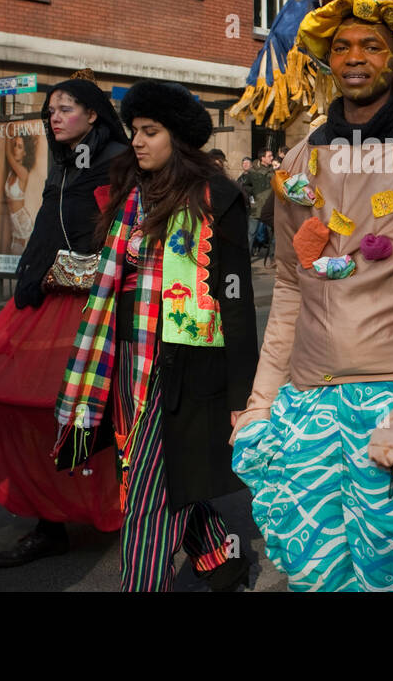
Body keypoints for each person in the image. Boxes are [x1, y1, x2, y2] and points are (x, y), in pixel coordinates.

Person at [230, 0, 393, 591]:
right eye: (342, 47)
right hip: (309, 401)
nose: (354, 58)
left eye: (370, 45)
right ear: (328, 59)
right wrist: (263, 402)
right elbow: (290, 286)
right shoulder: (299, 163)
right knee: (314, 573)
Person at [56, 79, 258, 592]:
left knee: (146, 494)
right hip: (125, 360)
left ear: (179, 139)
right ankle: (219, 556)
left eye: (150, 132)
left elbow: (235, 302)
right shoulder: (129, 194)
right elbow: (115, 274)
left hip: (184, 369)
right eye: (135, 132)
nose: (138, 141)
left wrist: (245, 394)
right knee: (153, 473)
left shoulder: (218, 198)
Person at [0, 72, 128, 568]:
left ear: (94, 114)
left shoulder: (121, 162)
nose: (54, 117)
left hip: (103, 306)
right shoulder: (62, 162)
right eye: (51, 110)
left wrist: (99, 272)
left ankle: (137, 509)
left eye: (66, 109)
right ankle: (50, 518)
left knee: (108, 411)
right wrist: (30, 277)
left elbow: (132, 232)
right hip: (49, 298)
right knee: (18, 400)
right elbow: (44, 226)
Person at [4, 133, 38, 254]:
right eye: (14, 145)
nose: (15, 150)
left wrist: (6, 135)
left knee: (23, 259)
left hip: (23, 224)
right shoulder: (12, 172)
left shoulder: (23, 172)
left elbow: (8, 154)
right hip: (14, 225)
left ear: (25, 152)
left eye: (19, 147)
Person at [246, 148, 276, 252]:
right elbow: (245, 186)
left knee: (273, 236)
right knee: (251, 233)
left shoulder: (275, 170)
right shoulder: (252, 171)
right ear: (262, 158)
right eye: (269, 156)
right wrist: (253, 194)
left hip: (271, 208)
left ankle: (273, 259)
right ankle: (247, 258)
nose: (272, 158)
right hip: (257, 207)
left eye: (272, 156)